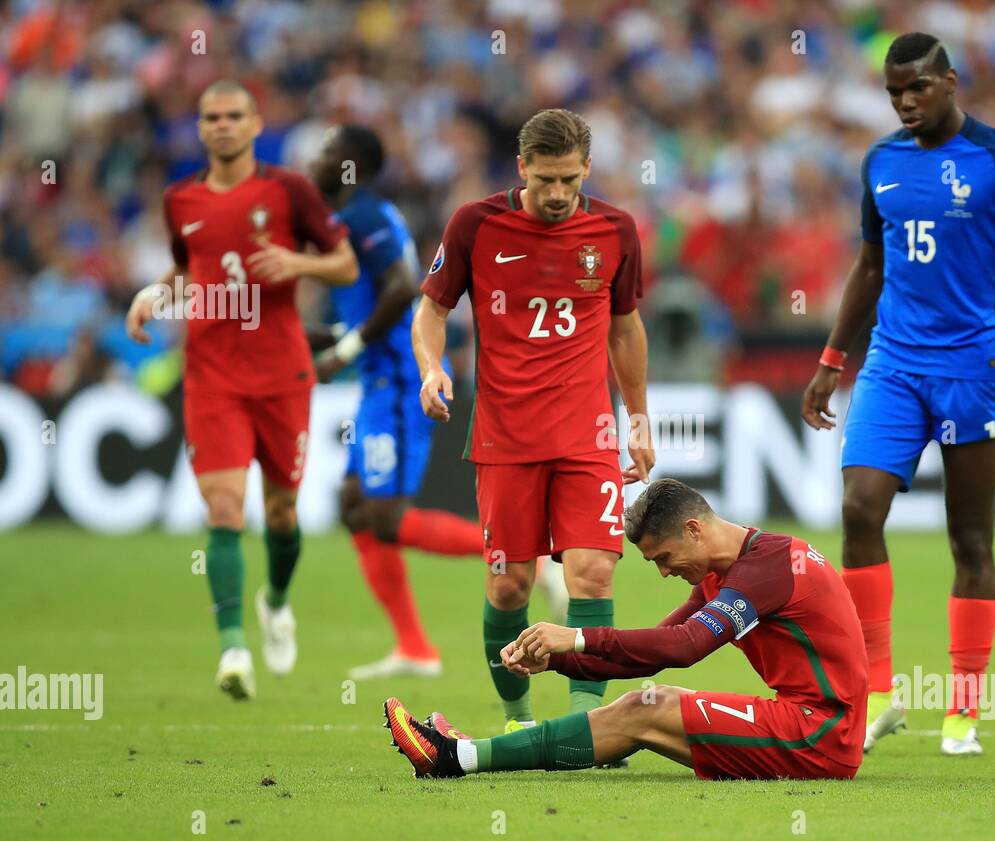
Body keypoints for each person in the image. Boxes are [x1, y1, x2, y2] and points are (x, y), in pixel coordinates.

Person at [801, 33, 995, 754]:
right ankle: (878, 694)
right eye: (893, 93)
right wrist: (831, 359)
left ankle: (964, 709)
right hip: (891, 363)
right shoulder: (880, 161)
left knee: (970, 539)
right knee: (858, 508)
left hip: (972, 368)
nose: (905, 102)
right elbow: (870, 265)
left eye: (917, 88)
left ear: (949, 82)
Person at [411, 108, 653, 733]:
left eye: (569, 180)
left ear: (587, 170)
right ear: (521, 167)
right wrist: (431, 368)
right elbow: (432, 310)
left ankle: (584, 724)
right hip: (505, 434)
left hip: (586, 432)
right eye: (544, 178)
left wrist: (640, 416)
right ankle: (518, 718)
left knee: (592, 575)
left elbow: (625, 328)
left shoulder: (616, 230)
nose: (556, 193)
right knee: (510, 588)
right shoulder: (475, 224)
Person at [381, 478, 868, 781]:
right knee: (644, 705)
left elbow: (686, 646)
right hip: (811, 725)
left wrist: (574, 636)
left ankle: (454, 757)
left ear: (695, 530)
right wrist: (557, 659)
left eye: (664, 558)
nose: (663, 572)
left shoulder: (770, 567)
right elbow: (655, 651)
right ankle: (463, 756)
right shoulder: (731, 568)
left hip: (821, 733)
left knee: (646, 705)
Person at [126, 80, 359, 699]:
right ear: (200, 128)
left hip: (283, 377)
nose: (223, 125)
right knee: (225, 509)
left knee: (281, 512)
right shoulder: (180, 198)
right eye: (211, 117)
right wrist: (153, 295)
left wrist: (298, 264)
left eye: (234, 115)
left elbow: (345, 263)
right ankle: (232, 648)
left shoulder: (289, 191)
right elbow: (187, 271)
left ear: (256, 123)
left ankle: (275, 602)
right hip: (212, 377)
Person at [307, 123, 486, 680]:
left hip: (400, 379)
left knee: (384, 514)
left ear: (349, 165)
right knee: (355, 504)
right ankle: (413, 646)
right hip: (377, 382)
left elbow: (402, 289)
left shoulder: (362, 215)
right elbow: (367, 308)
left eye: (328, 152)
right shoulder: (361, 217)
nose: (318, 159)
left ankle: (514, 549)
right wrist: (331, 338)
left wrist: (347, 349)